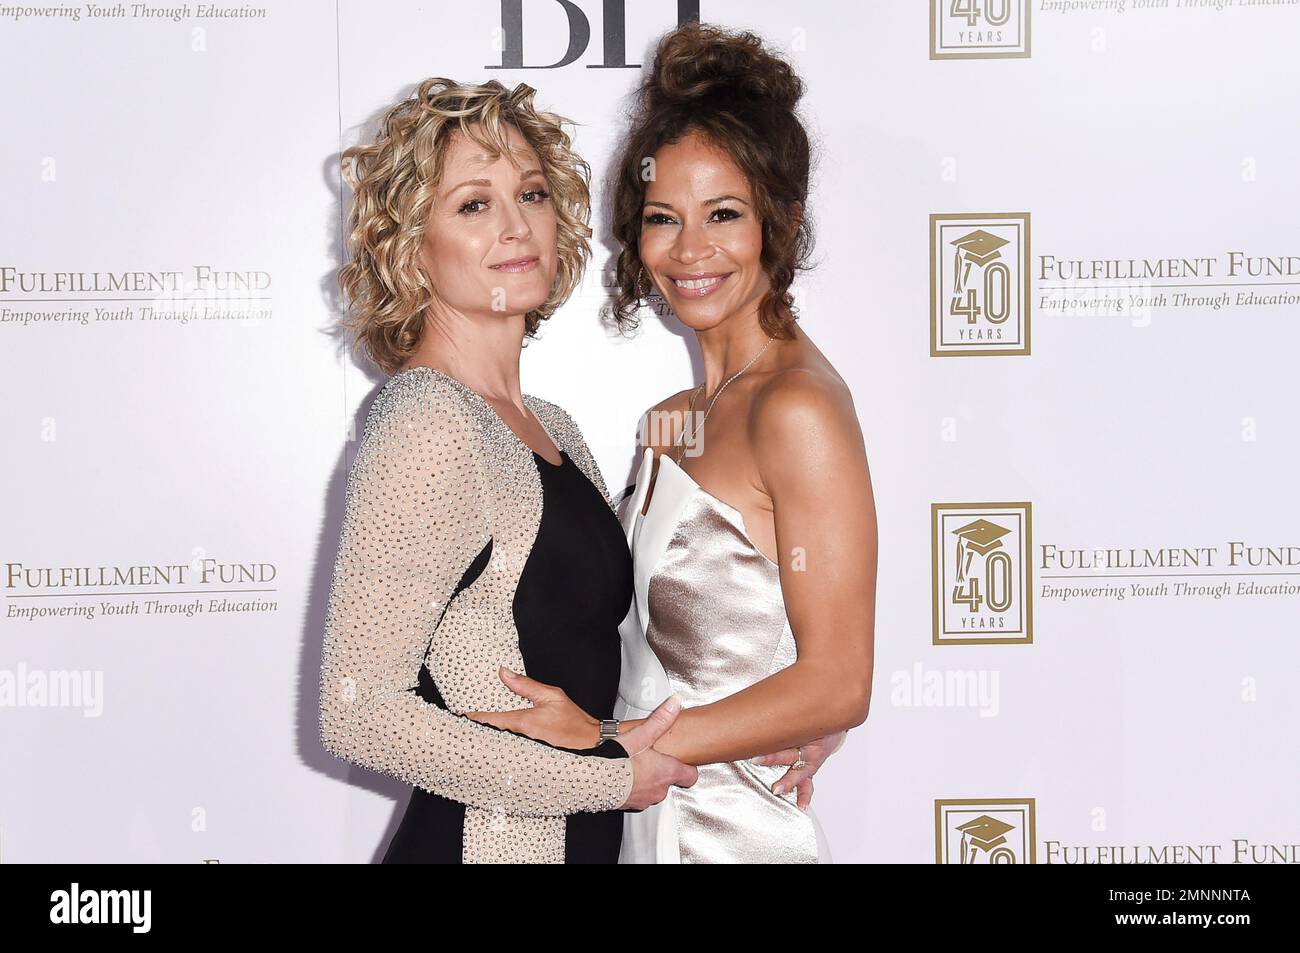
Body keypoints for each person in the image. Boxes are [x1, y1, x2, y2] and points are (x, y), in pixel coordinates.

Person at [470, 22, 878, 863]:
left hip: (733, 839)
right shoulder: (671, 417)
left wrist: (609, 737)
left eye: (723, 214)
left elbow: (840, 679)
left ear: (780, 216)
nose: (691, 250)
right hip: (646, 825)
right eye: (664, 218)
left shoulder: (797, 408)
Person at [316, 77, 697, 864]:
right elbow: (359, 712)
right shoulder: (426, 422)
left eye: (529, 192)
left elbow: (573, 673)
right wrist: (608, 782)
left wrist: (788, 716)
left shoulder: (549, 424)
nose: (516, 225)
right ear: (409, 247)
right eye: (472, 204)